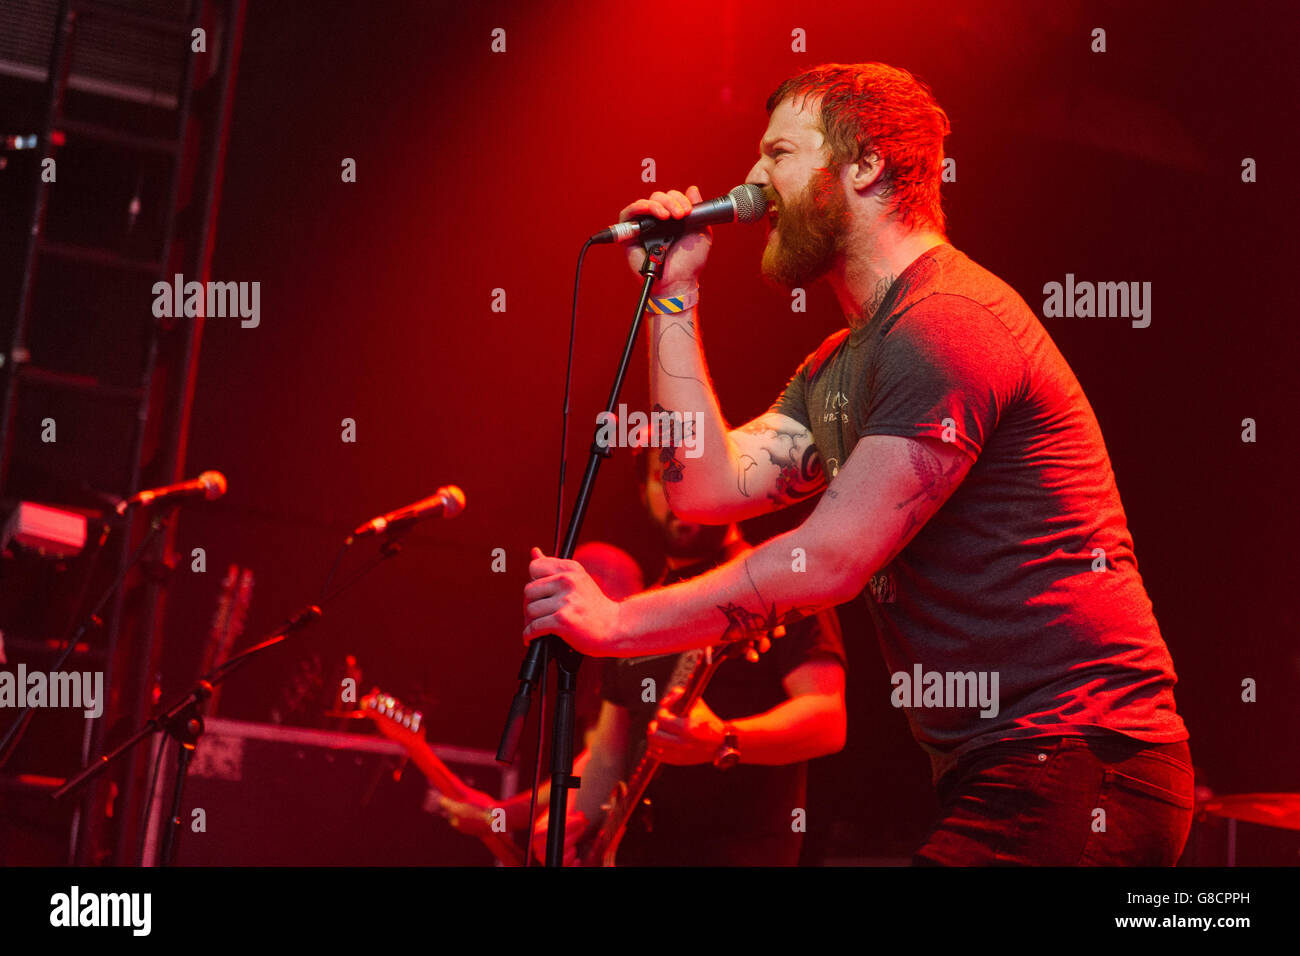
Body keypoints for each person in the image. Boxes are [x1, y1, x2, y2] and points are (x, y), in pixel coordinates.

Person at [521, 62, 1193, 866]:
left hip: (1087, 760)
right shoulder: (841, 365)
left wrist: (619, 624)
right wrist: (673, 294)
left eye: (778, 154)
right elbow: (705, 486)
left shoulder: (946, 323)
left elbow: (831, 557)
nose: (752, 181)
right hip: (1017, 768)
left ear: (866, 165)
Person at [440, 448, 846, 865]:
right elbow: (606, 758)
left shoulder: (774, 583)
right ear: (643, 491)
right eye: (665, 474)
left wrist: (724, 739)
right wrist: (562, 823)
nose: (682, 484)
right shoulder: (634, 614)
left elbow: (828, 719)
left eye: (699, 470)